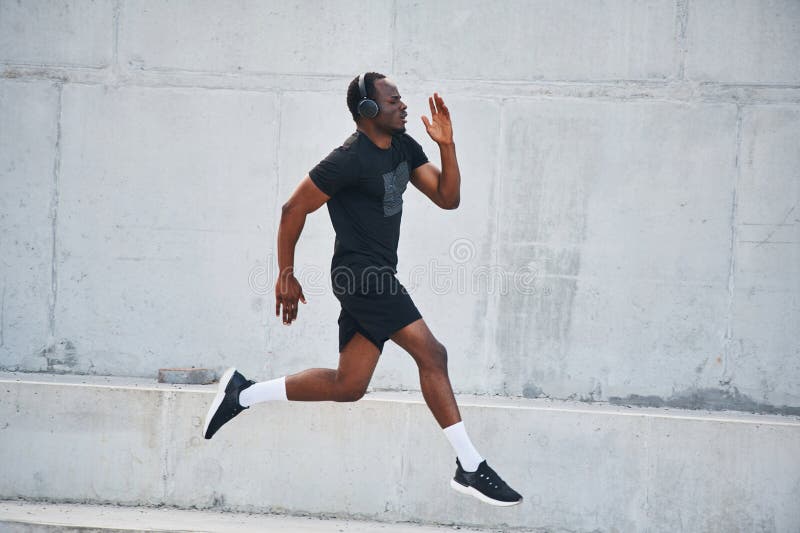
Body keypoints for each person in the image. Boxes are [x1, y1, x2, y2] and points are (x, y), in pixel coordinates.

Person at [203, 72, 522, 506]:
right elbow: (293, 208)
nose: (404, 105)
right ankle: (470, 465)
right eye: (393, 101)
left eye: (400, 98)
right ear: (368, 110)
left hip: (374, 276)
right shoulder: (347, 159)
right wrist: (285, 273)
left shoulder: (405, 147)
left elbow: (448, 199)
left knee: (348, 385)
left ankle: (242, 392)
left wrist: (447, 146)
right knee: (434, 354)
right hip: (362, 276)